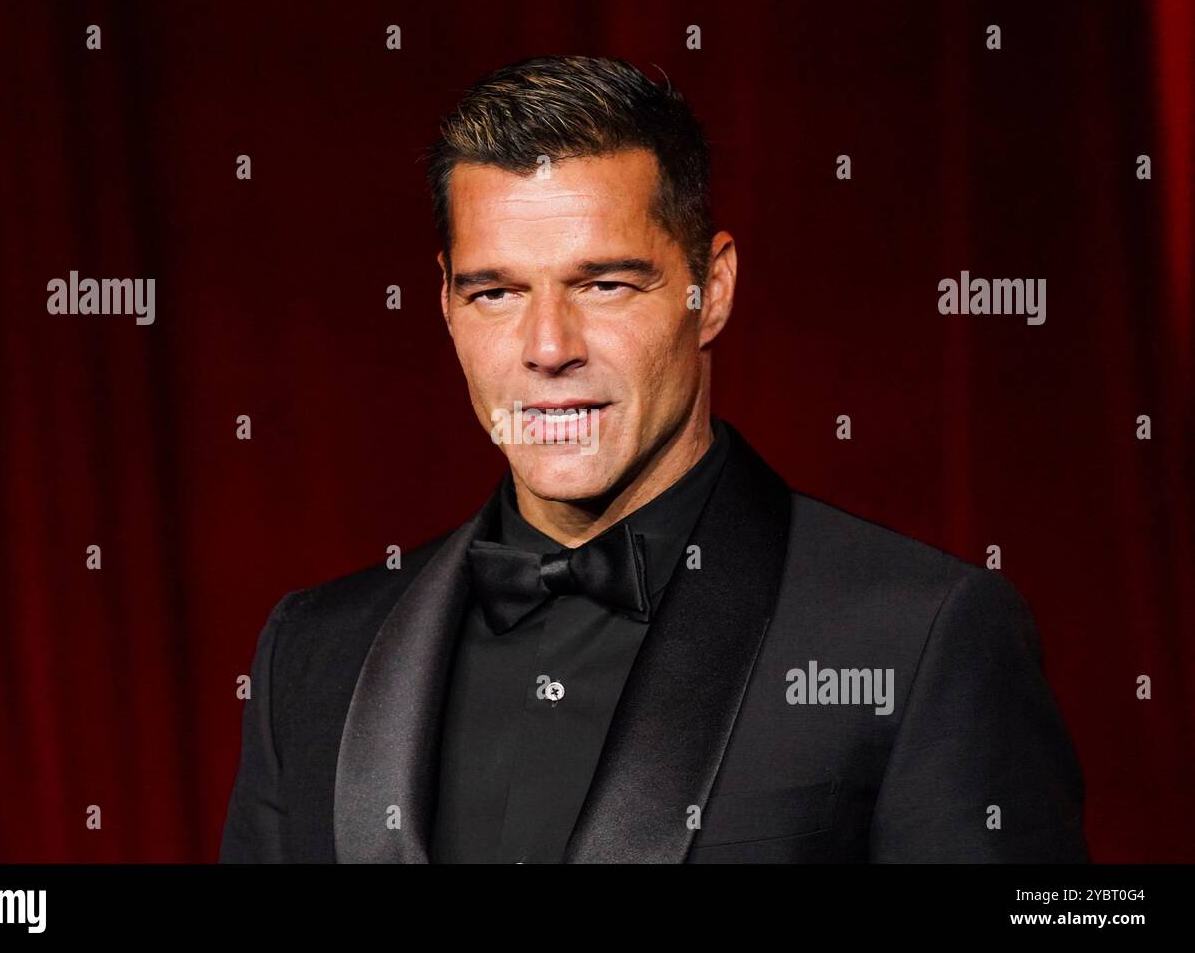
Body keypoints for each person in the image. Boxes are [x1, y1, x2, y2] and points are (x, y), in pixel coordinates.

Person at [219, 55, 1089, 863]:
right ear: (447, 304)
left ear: (711, 290)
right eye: (497, 292)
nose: (548, 347)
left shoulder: (921, 634)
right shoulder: (314, 650)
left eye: (604, 284)